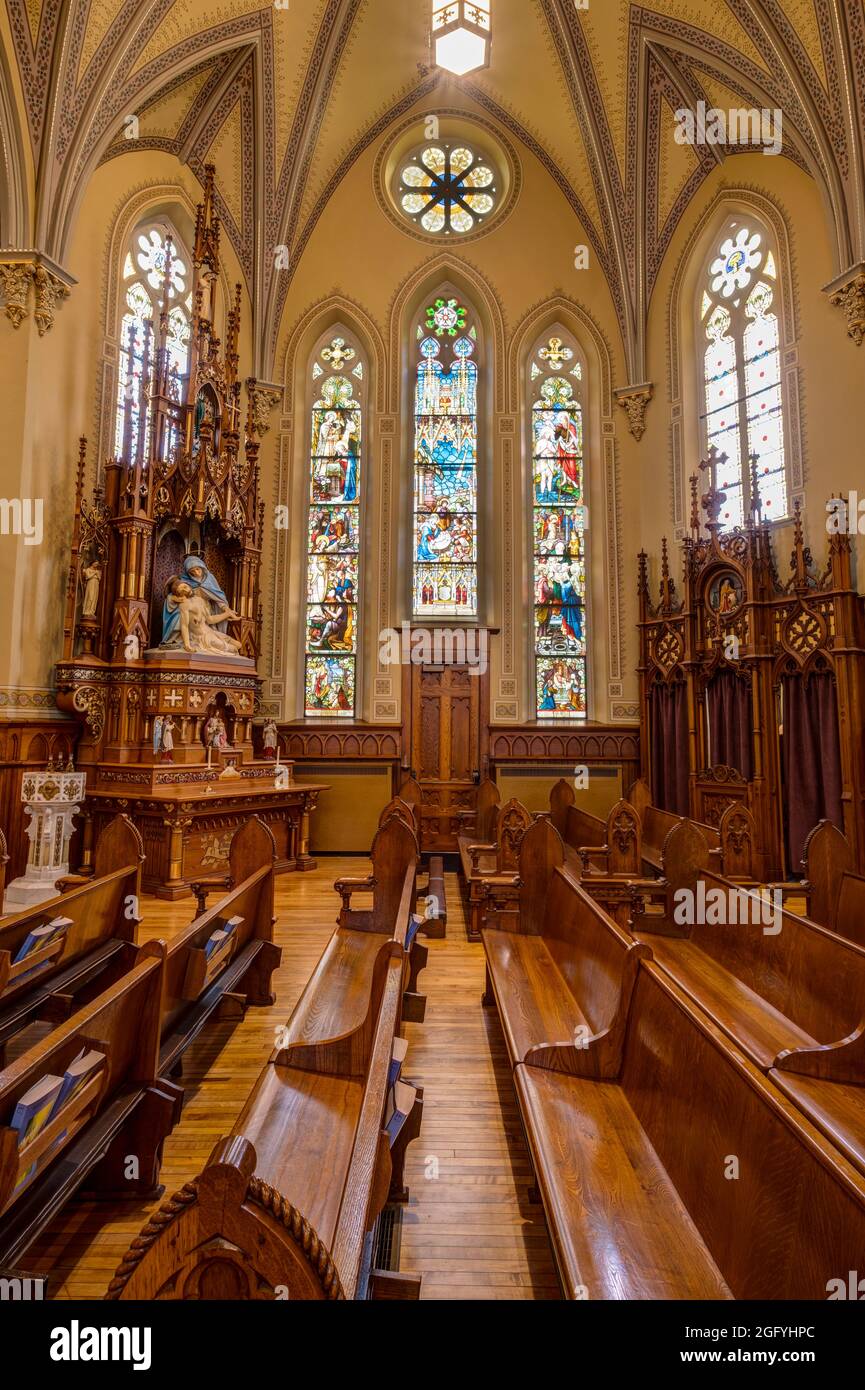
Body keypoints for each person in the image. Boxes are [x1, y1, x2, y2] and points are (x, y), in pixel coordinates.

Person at [162, 554, 232, 644]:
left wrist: (226, 610)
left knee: (209, 629)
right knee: (182, 617)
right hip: (191, 608)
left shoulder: (210, 579)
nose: (196, 573)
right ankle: (180, 640)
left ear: (202, 567)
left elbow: (219, 597)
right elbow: (173, 592)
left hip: (205, 608)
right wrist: (173, 598)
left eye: (197, 569)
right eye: (192, 571)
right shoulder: (184, 580)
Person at [162, 580, 242, 656]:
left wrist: (227, 614)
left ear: (189, 586)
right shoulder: (184, 604)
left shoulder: (200, 600)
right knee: (234, 649)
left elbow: (210, 620)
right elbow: (184, 625)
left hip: (211, 632)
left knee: (238, 645)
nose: (185, 590)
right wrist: (187, 645)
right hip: (203, 638)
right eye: (181, 590)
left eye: (185, 586)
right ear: (178, 594)